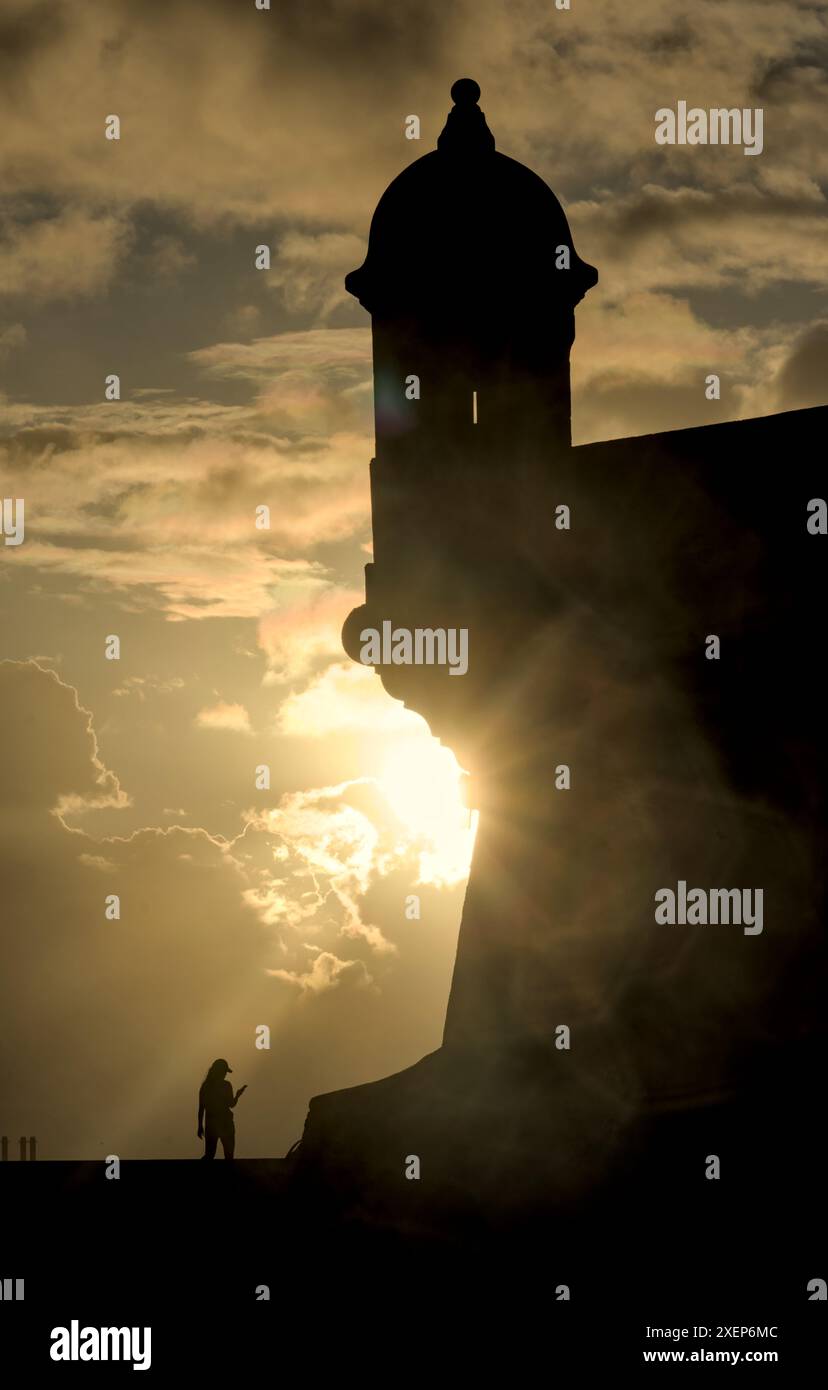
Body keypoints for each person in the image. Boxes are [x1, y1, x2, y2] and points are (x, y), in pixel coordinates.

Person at [197, 1059, 247, 1160]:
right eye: (224, 1071)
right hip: (225, 1124)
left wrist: (200, 1126)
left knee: (209, 1155)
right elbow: (231, 1104)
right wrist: (237, 1095)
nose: (225, 1074)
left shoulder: (205, 1086)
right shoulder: (226, 1085)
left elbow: (201, 1108)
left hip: (211, 1124)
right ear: (220, 1071)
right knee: (228, 1156)